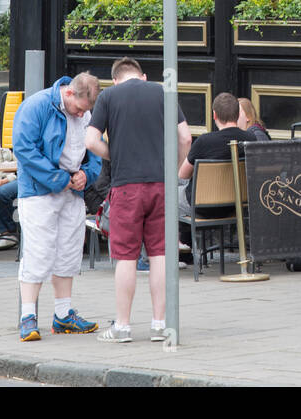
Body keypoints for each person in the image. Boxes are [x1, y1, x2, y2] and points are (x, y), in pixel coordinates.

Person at [87, 57, 192, 343]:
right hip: (160, 184)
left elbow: (91, 140)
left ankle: (123, 326)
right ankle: (160, 324)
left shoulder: (108, 96)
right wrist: (174, 167)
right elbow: (185, 137)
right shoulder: (162, 91)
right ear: (143, 76)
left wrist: (115, 154)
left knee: (126, 257)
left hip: (126, 187)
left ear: (116, 78)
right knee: (159, 254)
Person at [13, 71, 105, 341]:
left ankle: (63, 315)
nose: (81, 116)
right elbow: (24, 149)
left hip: (71, 192)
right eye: (78, 109)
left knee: (68, 252)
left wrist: (86, 174)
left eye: (85, 111)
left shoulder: (83, 111)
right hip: (39, 192)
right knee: (38, 252)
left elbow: (95, 149)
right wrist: (59, 179)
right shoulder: (36, 106)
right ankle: (27, 317)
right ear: (68, 93)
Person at [178, 92, 255, 220]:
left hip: (201, 207)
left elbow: (183, 175)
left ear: (214, 115)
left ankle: (177, 240)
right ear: (237, 115)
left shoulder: (204, 141)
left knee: (166, 194)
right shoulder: (250, 139)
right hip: (235, 206)